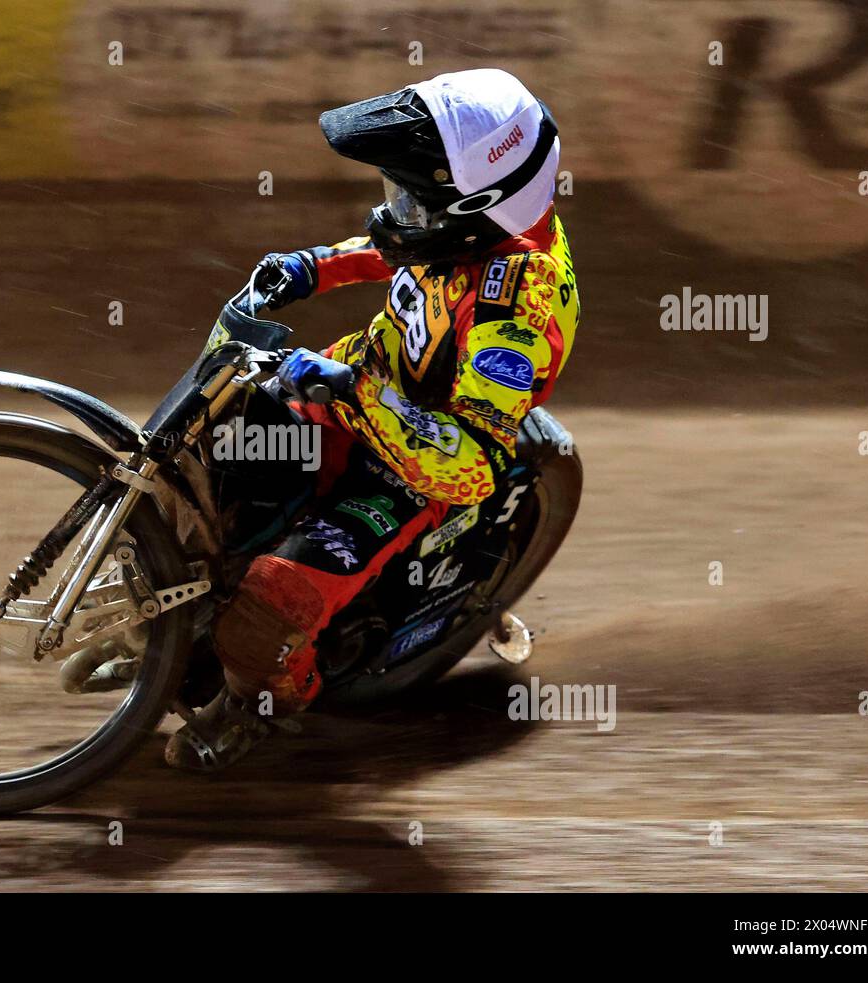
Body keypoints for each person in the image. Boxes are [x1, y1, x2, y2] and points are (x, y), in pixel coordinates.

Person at [165, 68, 580, 771]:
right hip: (347, 390)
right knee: (211, 453)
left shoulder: (518, 316)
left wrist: (354, 393)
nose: (393, 213)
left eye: (412, 201)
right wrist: (312, 267)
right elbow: (399, 249)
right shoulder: (467, 230)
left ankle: (257, 704)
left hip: (411, 467)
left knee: (266, 608)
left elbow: (470, 464)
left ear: (474, 209)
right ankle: (166, 626)